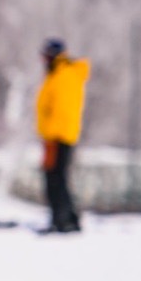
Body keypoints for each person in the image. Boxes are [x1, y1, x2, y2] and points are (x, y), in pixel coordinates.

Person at [36, 39, 90, 234]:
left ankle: (62, 220)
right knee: (58, 178)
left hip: (58, 136)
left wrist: (50, 135)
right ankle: (66, 219)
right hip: (57, 135)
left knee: (55, 179)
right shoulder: (58, 74)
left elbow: (62, 110)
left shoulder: (63, 75)